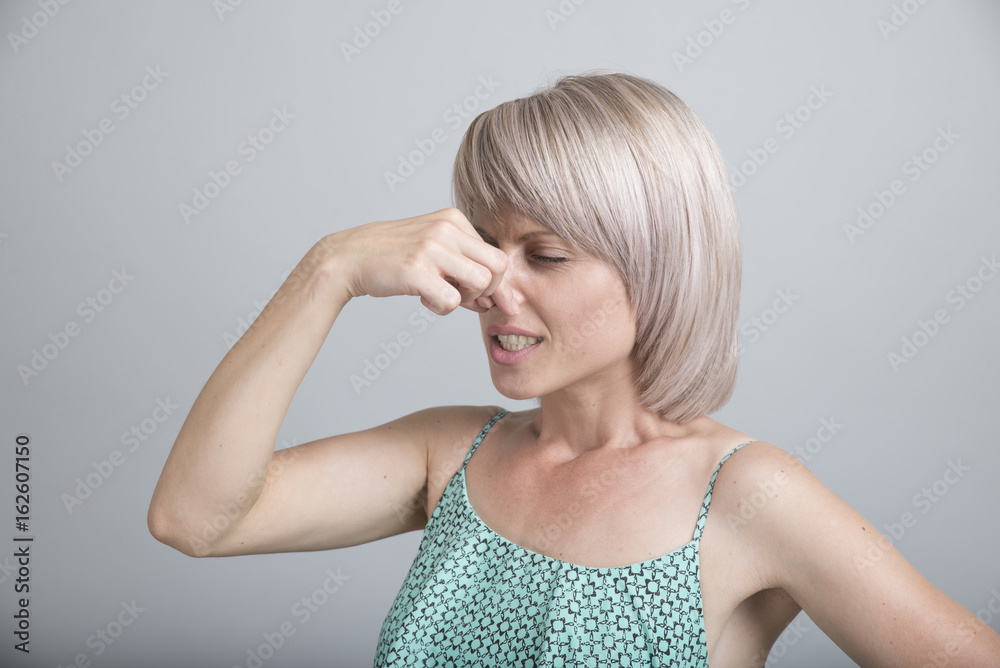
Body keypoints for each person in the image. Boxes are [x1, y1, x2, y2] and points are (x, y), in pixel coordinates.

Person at [147, 70, 1000, 666]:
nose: (488, 287)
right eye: (487, 245)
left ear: (658, 267)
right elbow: (195, 518)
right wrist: (324, 271)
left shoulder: (748, 494)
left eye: (544, 256)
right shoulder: (449, 454)